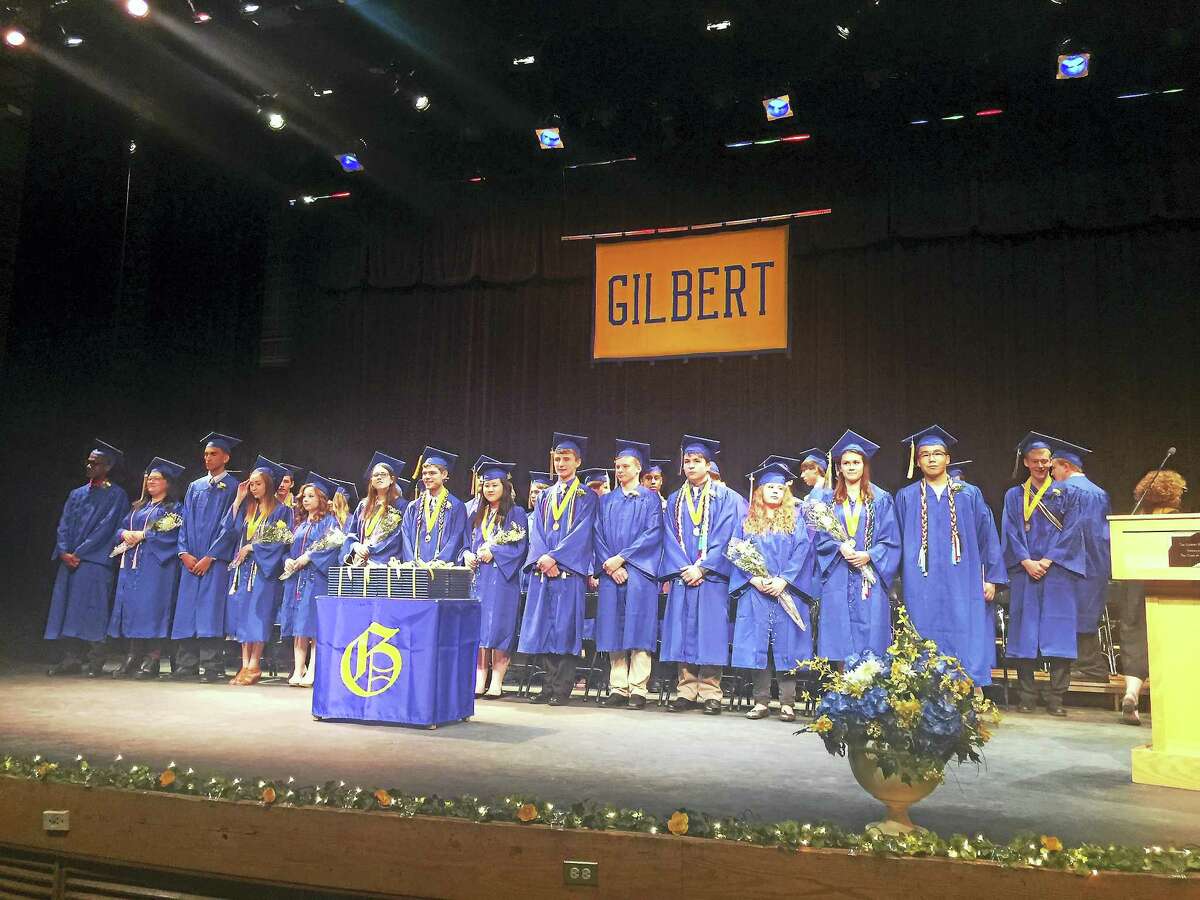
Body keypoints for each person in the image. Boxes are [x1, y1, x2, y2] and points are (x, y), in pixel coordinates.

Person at [894, 426, 1007, 687]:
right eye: (925, 454)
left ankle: (968, 688)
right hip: (920, 580)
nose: (932, 458)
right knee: (922, 627)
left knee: (964, 628)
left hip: (963, 579)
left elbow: (987, 535)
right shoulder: (906, 497)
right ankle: (924, 689)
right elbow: (896, 541)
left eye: (937, 453)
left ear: (948, 458)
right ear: (917, 461)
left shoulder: (968, 493)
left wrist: (991, 577)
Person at [1000, 433, 1087, 715]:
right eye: (1035, 461)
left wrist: (1048, 560)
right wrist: (1025, 561)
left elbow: (1073, 531)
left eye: (1045, 461)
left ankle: (1056, 699)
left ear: (1051, 462)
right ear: (1025, 462)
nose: (1040, 466)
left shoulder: (1068, 493)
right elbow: (1010, 532)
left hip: (1058, 572)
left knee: (1059, 633)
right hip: (1025, 572)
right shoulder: (1014, 496)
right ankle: (1026, 696)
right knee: (1025, 634)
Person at [660, 435, 741, 714]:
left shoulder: (726, 498)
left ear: (709, 465)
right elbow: (668, 537)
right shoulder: (674, 500)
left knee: (710, 632)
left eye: (697, 461)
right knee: (683, 632)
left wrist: (703, 567)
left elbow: (729, 536)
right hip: (684, 575)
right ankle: (685, 690)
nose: (691, 466)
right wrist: (685, 567)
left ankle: (710, 692)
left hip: (712, 578)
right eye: (687, 461)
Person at [730, 460, 816, 722]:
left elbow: (803, 551)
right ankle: (761, 701)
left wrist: (784, 580)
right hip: (756, 591)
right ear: (760, 491)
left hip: (786, 591)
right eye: (770, 487)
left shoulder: (796, 520)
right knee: (761, 645)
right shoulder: (747, 522)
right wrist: (753, 578)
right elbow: (736, 551)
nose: (776, 491)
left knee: (786, 646)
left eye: (780, 488)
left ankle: (788, 704)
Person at [518, 433, 598, 706]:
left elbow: (582, 533)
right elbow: (537, 531)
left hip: (568, 573)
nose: (561, 463)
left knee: (565, 629)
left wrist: (555, 558)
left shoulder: (587, 496)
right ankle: (547, 685)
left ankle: (562, 688)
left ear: (578, 461)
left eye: (566, 458)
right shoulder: (545, 496)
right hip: (545, 572)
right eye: (557, 458)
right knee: (545, 629)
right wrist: (542, 558)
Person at [811, 431, 901, 664]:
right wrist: (838, 547)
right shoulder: (828, 501)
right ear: (839, 467)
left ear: (864, 465)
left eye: (856, 462)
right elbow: (820, 538)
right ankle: (842, 691)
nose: (851, 467)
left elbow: (891, 539)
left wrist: (869, 555)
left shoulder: (880, 499)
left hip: (868, 575)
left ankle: (870, 692)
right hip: (838, 573)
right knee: (839, 632)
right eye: (846, 463)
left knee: (871, 631)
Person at [46, 441, 131, 677]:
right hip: (70, 561)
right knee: (67, 610)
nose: (89, 466)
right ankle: (70, 658)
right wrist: (63, 551)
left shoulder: (116, 495)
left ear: (108, 466)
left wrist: (80, 553)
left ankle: (95, 660)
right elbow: (63, 524)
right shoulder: (77, 494)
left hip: (94, 562)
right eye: (89, 462)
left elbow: (106, 529)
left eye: (95, 463)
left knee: (94, 610)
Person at [594, 439, 663, 709]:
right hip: (612, 573)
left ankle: (638, 689)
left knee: (639, 628)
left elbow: (653, 534)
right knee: (613, 628)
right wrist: (610, 565)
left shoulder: (650, 498)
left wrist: (622, 559)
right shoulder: (607, 500)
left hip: (639, 573)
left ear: (637, 469)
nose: (619, 471)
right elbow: (597, 534)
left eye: (625, 466)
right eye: (617, 466)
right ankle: (617, 687)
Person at [1117, 469, 1187, 725]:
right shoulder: (1180, 522)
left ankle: (1131, 693)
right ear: (1174, 495)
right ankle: (1172, 706)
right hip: (1170, 589)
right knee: (1167, 644)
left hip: (1134, 587)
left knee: (1134, 640)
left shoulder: (1135, 522)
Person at [107, 457, 187, 680]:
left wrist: (144, 535)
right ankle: (133, 655)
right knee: (133, 609)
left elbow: (169, 536)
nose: (150, 482)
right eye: (149, 479)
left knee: (153, 610)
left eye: (156, 479)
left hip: (157, 567)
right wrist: (124, 534)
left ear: (168, 483)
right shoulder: (138, 507)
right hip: (133, 566)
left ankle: (153, 657)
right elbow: (120, 528)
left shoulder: (174, 509)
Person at [218, 456, 294, 686]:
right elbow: (228, 530)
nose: (253, 487)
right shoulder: (248, 509)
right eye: (250, 483)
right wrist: (238, 500)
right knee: (242, 613)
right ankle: (244, 665)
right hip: (243, 571)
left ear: (269, 484)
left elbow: (283, 539)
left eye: (257, 483)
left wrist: (253, 546)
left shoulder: (282, 510)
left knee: (257, 616)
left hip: (263, 571)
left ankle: (255, 665)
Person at [172, 433, 241, 682]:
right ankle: (186, 664)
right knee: (188, 609)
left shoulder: (234, 487)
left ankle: (212, 665)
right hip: (191, 560)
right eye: (205, 455)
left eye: (213, 454)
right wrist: (184, 553)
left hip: (215, 562)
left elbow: (231, 526)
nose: (208, 458)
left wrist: (211, 556)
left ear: (226, 457)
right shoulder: (195, 486)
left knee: (211, 611)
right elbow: (185, 522)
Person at [462, 459, 528, 699]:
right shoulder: (476, 514)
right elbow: (465, 542)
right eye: (486, 485)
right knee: (479, 627)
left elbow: (521, 547)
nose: (489, 489)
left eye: (494, 485)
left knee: (499, 627)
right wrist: (467, 554)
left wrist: (496, 552)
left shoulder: (516, 513)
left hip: (502, 578)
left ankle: (497, 681)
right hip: (478, 577)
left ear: (504, 487)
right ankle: (480, 680)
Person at [1050, 439, 1113, 684]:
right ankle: (1089, 666)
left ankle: (1089, 667)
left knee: (1073, 613)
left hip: (1074, 562)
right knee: (1087, 613)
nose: (1052, 473)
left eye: (1054, 468)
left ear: (1065, 466)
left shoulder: (1067, 491)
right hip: (1097, 562)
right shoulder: (1099, 492)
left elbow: (1068, 530)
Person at [280, 473, 345, 687]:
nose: (306, 499)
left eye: (311, 496)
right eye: (304, 496)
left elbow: (332, 547)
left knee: (314, 627)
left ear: (321, 498)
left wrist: (309, 557)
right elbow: (288, 549)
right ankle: (299, 669)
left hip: (316, 578)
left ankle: (315, 670)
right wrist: (288, 560)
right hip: (296, 580)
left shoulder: (329, 522)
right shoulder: (299, 524)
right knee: (299, 626)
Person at [401, 447, 467, 563]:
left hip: (442, 570)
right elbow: (405, 536)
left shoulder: (456, 506)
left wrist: (439, 563)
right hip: (415, 570)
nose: (427, 477)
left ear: (444, 474)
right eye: (424, 473)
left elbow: (456, 539)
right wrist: (411, 562)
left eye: (432, 473)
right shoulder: (413, 507)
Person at [343, 452, 407, 566]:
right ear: (371, 481)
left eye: (383, 474)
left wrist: (370, 550)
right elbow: (352, 533)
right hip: (360, 562)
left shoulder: (401, 506)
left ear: (392, 479)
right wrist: (356, 547)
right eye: (375, 475)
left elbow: (398, 537)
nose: (379, 477)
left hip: (384, 564)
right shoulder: (363, 505)